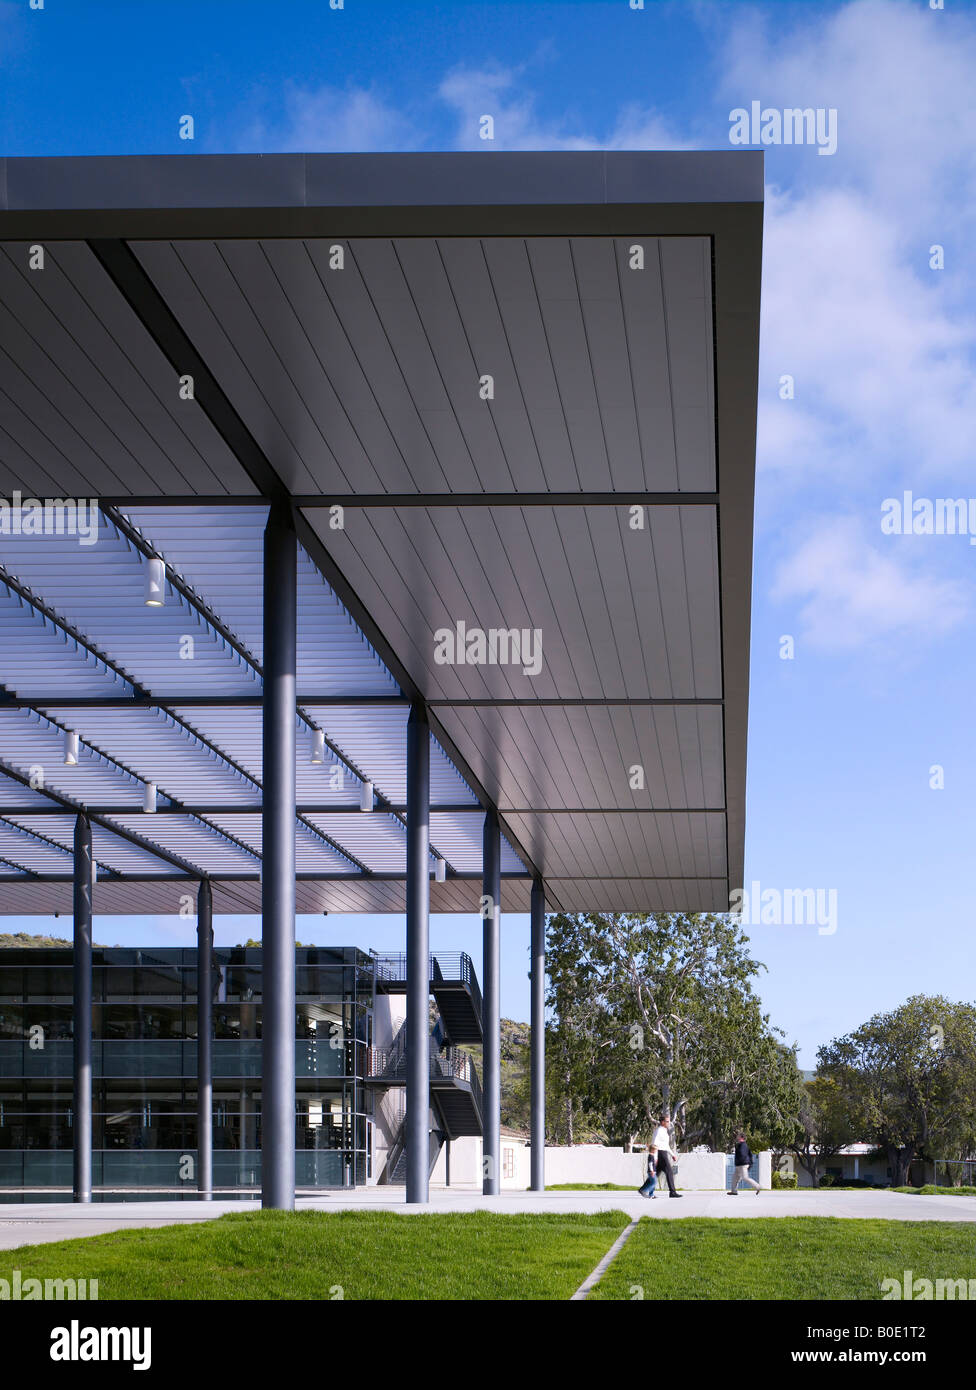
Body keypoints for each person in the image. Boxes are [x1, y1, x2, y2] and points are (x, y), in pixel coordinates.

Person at [651, 1114, 682, 1197]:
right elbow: (654, 1143)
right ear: (662, 1122)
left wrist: (672, 1154)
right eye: (667, 1121)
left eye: (669, 1121)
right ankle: (672, 1192)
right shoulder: (659, 1130)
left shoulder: (664, 1131)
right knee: (669, 1171)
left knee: (656, 1173)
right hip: (660, 1153)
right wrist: (655, 1156)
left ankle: (647, 1190)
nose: (669, 1123)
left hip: (663, 1152)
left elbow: (665, 1145)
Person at [728, 1129, 761, 1195]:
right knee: (735, 1178)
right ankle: (734, 1191)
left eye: (738, 1136)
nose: (737, 1137)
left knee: (745, 1178)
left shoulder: (743, 1145)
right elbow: (750, 1154)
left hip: (742, 1164)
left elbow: (743, 1155)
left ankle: (757, 1186)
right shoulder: (741, 1145)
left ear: (741, 1137)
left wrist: (744, 1162)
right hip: (739, 1165)